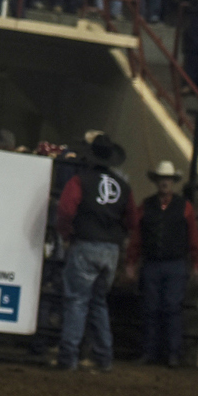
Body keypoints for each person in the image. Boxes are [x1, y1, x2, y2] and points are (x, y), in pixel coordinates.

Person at [53, 134, 137, 371]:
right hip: (110, 249)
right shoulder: (123, 186)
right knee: (98, 302)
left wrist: (66, 234)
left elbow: (66, 210)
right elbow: (131, 219)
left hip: (86, 244)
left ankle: (68, 356)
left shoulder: (80, 181)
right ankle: (103, 357)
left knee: (77, 301)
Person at [130, 160, 198, 368]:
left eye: (167, 179)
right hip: (160, 263)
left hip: (170, 263)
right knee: (154, 308)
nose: (165, 183)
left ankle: (167, 353)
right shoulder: (156, 206)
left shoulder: (180, 207)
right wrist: (132, 261)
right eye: (163, 179)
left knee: (169, 308)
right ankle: (161, 353)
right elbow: (137, 237)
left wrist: (196, 262)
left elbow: (193, 237)